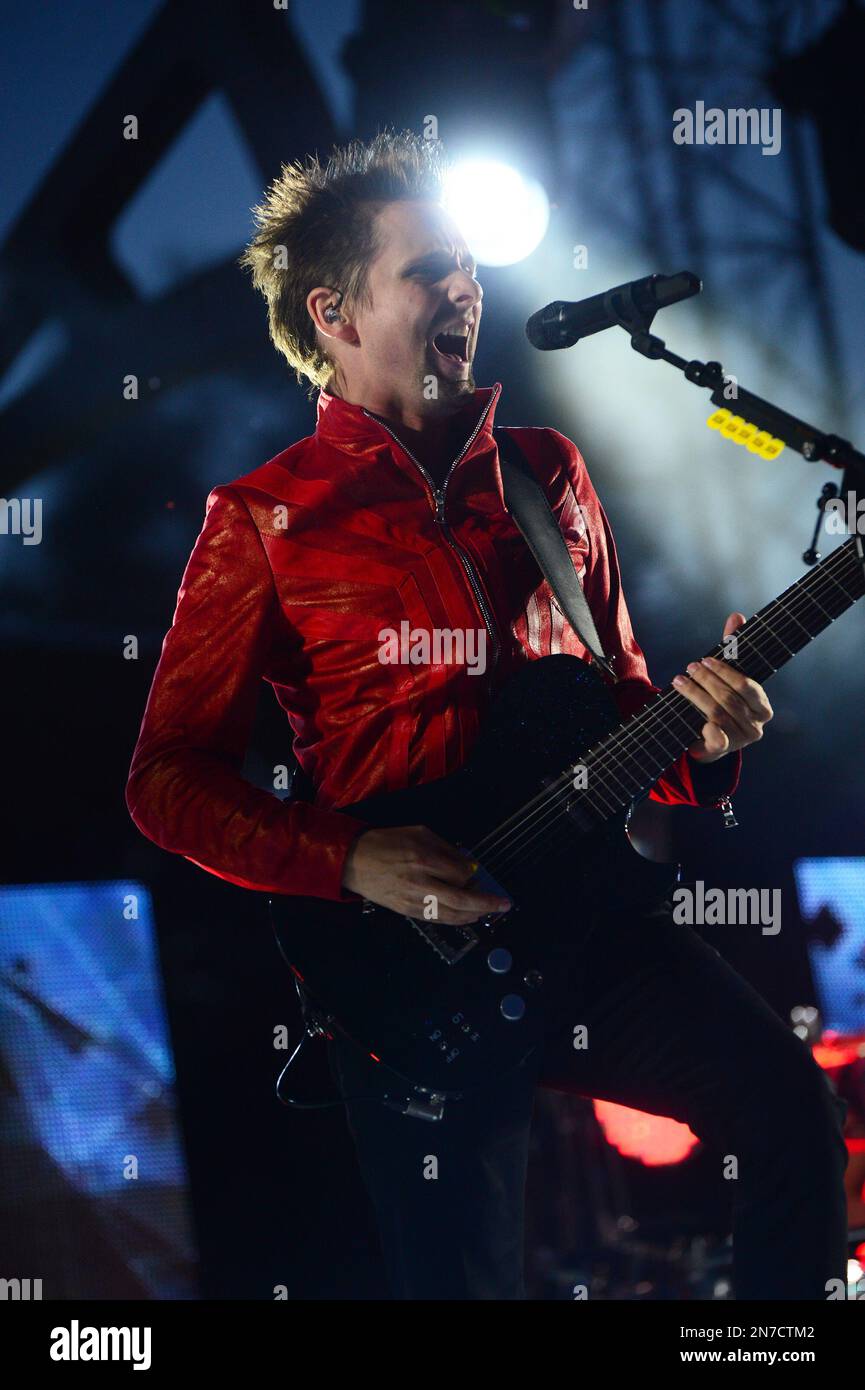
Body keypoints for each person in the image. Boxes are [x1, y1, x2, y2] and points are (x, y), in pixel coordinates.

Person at [126, 130, 847, 1301]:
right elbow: (164, 779)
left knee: (787, 1110)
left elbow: (619, 708)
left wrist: (701, 739)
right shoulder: (262, 519)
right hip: (412, 978)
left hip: (589, 922)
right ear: (334, 312)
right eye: (427, 270)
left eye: (468, 267)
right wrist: (349, 857)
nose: (466, 288)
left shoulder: (546, 473)